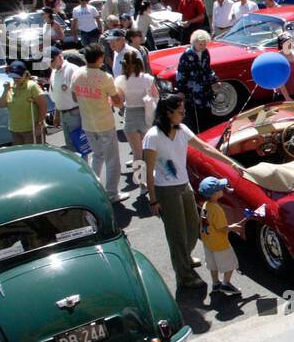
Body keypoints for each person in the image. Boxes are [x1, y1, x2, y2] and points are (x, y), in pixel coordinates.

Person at [142, 94, 235, 292]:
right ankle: (184, 277)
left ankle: (184, 257)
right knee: (176, 234)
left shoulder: (182, 129)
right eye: (181, 112)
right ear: (168, 113)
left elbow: (204, 148)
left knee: (193, 226)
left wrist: (231, 163)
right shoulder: (152, 136)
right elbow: (148, 170)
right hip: (165, 191)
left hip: (184, 185)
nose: (183, 115)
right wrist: (153, 200)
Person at [72, 43, 125, 202]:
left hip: (87, 123)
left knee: (97, 156)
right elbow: (117, 101)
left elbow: (75, 97)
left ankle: (96, 188)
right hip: (105, 123)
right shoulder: (104, 77)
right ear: (100, 58)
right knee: (112, 160)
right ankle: (112, 193)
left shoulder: (77, 73)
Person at [116, 52, 158, 197]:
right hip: (146, 116)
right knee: (150, 151)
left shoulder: (120, 80)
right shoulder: (147, 78)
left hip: (130, 117)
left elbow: (119, 102)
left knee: (137, 153)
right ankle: (153, 179)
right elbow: (156, 96)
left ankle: (142, 184)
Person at [198, 177, 242, 297]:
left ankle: (216, 283)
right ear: (215, 194)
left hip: (208, 242)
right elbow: (222, 227)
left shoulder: (205, 205)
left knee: (213, 265)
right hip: (220, 243)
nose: (222, 189)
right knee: (231, 264)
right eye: (220, 188)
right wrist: (233, 227)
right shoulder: (217, 210)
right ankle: (226, 284)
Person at [175, 30, 220, 132]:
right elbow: (181, 73)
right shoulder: (187, 55)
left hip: (205, 89)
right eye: (200, 44)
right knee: (195, 116)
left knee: (207, 113)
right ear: (194, 42)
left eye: (204, 44)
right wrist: (181, 90)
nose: (203, 46)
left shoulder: (205, 53)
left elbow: (208, 69)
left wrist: (215, 80)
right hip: (193, 91)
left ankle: (208, 133)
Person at [0, 61, 47, 145]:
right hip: (15, 129)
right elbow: (1, 105)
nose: (16, 79)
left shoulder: (32, 86)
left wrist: (39, 124)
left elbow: (43, 106)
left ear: (25, 74)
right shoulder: (11, 86)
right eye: (13, 77)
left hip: (31, 130)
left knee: (33, 155)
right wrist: (5, 90)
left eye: (18, 77)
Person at [49, 48, 84, 154]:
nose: (50, 63)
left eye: (52, 60)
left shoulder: (72, 70)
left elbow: (81, 95)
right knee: (70, 147)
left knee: (79, 146)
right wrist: (57, 114)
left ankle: (83, 169)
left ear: (60, 57)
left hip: (75, 112)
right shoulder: (54, 71)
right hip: (64, 114)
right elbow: (57, 95)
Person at [276, 31, 294, 100]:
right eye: (287, 42)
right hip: (285, 97)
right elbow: (280, 81)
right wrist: (287, 97)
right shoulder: (278, 58)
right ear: (281, 44)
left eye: (291, 41)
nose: (290, 44)